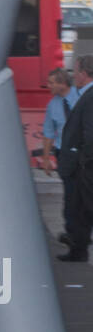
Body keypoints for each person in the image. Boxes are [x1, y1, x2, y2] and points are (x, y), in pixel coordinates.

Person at [57, 55, 93, 263]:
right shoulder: (85, 95)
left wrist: (82, 163)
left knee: (83, 208)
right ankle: (78, 250)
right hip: (80, 166)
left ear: (83, 74)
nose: (73, 75)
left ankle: (79, 250)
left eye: (76, 71)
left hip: (82, 169)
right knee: (79, 210)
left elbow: (90, 134)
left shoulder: (89, 97)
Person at [41, 66, 78, 243]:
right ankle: (72, 231)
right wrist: (46, 158)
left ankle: (82, 230)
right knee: (70, 194)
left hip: (83, 153)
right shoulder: (52, 105)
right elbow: (48, 132)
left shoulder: (82, 97)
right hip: (64, 153)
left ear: (62, 83)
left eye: (51, 83)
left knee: (84, 193)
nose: (48, 86)